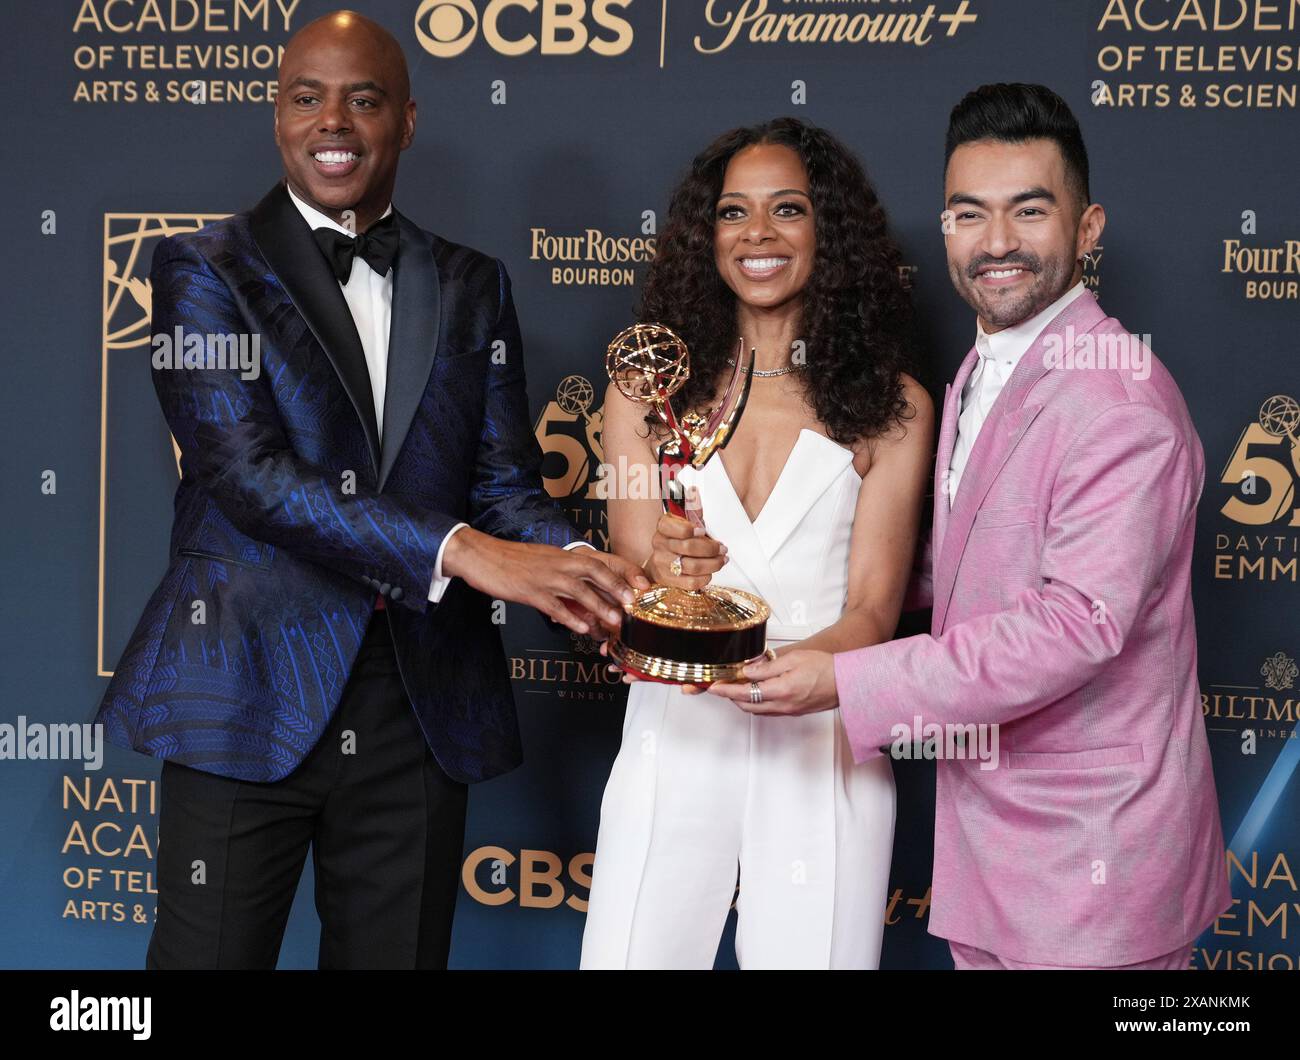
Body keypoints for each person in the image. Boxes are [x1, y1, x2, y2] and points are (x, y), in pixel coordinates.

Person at [95, 11, 646, 970]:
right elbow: (248, 477)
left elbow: (506, 484)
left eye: (363, 98)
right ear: (277, 119)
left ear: (408, 119)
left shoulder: (476, 285)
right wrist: (462, 550)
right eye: (306, 98)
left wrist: (582, 575)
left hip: (418, 703)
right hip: (243, 689)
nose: (333, 121)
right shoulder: (202, 268)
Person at [713, 84, 1231, 970]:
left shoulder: (1119, 400)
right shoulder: (986, 369)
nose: (996, 243)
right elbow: (968, 567)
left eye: (1029, 211)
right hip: (996, 856)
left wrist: (847, 675)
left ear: (1089, 226)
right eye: (969, 214)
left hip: (1090, 868)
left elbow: (1075, 625)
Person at [580, 118, 932, 969]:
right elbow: (634, 578)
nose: (758, 235)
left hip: (822, 743)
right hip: (676, 733)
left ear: (830, 232)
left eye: (787, 210)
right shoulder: (646, 393)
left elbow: (873, 611)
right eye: (734, 213)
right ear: (708, 238)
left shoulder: (898, 407)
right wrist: (663, 574)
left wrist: (796, 676)